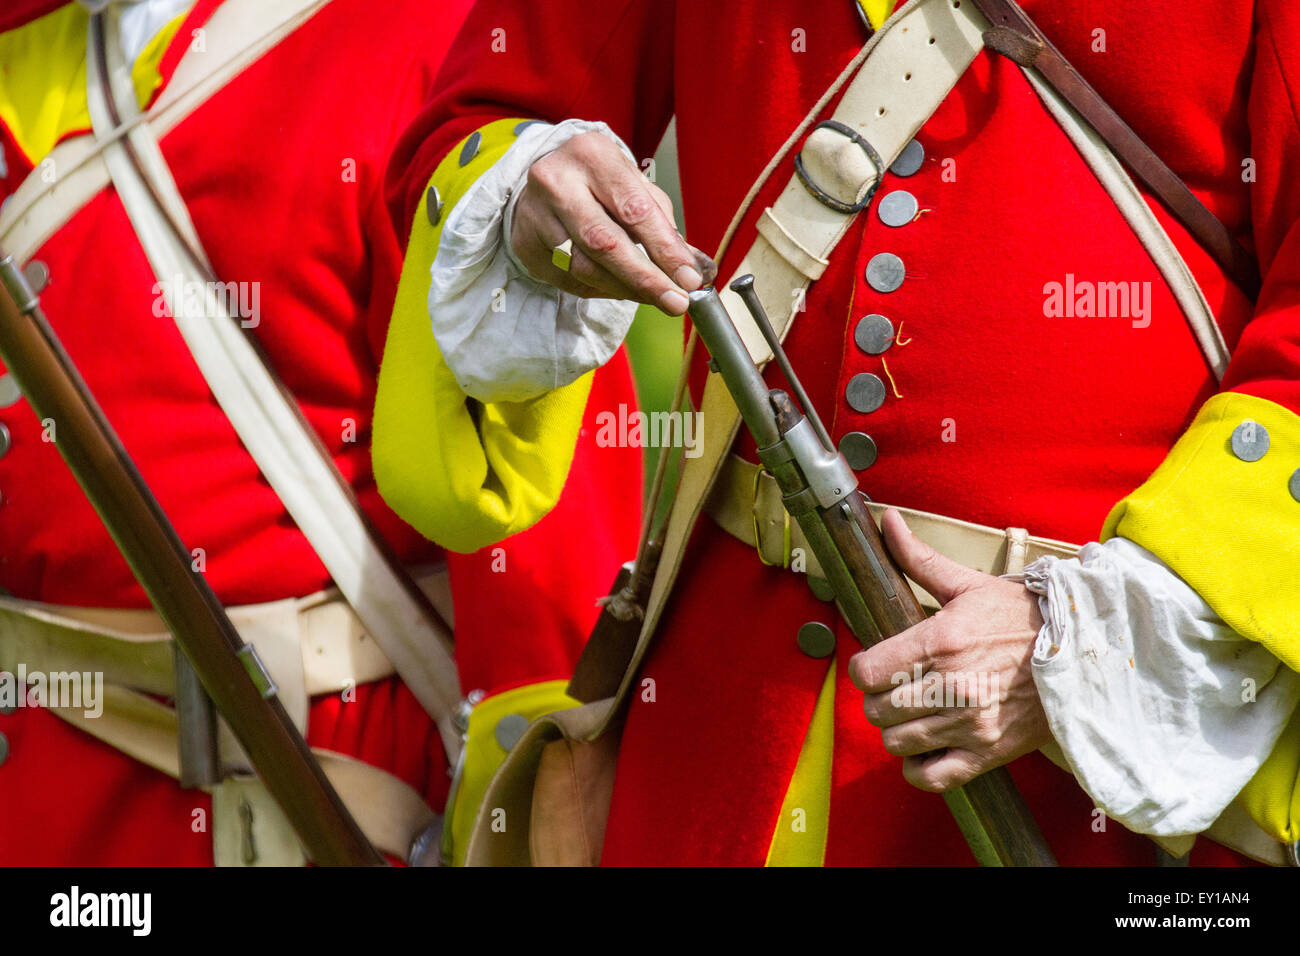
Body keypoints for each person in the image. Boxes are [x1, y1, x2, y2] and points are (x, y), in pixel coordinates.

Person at [380, 0, 1300, 865]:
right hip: (713, 736)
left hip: (1105, 752)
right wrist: (532, 192)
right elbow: (488, 122)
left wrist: (1093, 651)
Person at [0, 0, 640, 865]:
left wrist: (524, 821)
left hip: (315, 795)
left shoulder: (441, 41)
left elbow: (545, 562)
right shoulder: (25, 50)